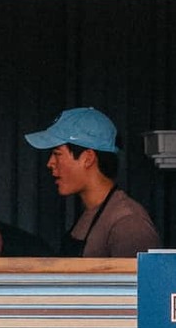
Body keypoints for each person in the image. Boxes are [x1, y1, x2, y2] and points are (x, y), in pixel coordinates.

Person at [25, 108, 160, 258]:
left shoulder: (128, 224)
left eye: (57, 154)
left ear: (88, 158)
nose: (50, 163)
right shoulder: (91, 212)